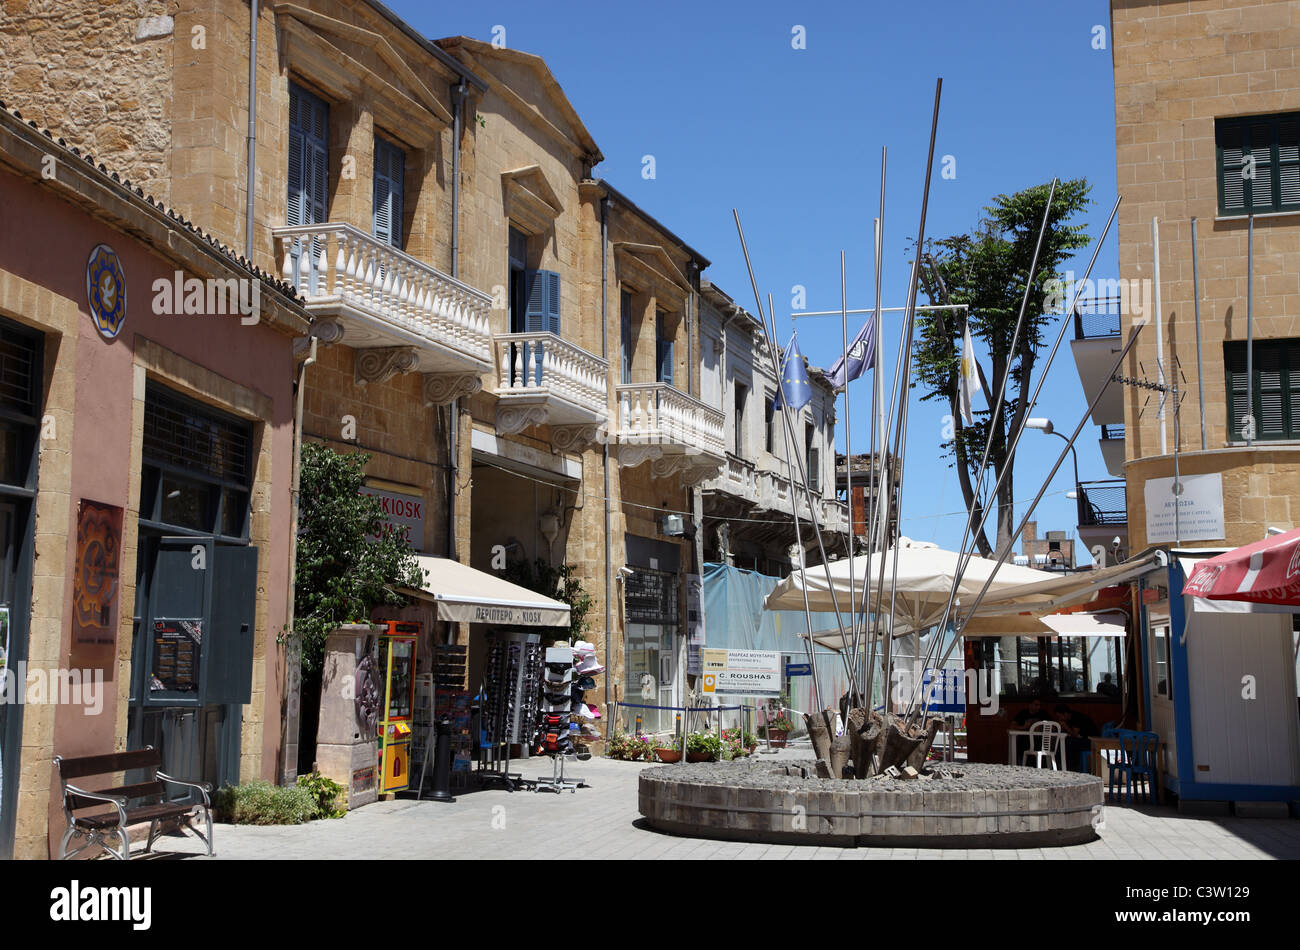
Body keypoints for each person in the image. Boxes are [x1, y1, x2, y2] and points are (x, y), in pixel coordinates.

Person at [1053, 703, 1099, 771]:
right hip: (1082, 740)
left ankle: (1067, 766)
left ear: (1065, 714)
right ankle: (1059, 764)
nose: (1059, 719)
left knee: (1068, 742)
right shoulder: (1069, 719)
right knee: (1062, 741)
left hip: (1091, 742)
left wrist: (1065, 726)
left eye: (1060, 716)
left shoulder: (1076, 717)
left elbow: (1074, 734)